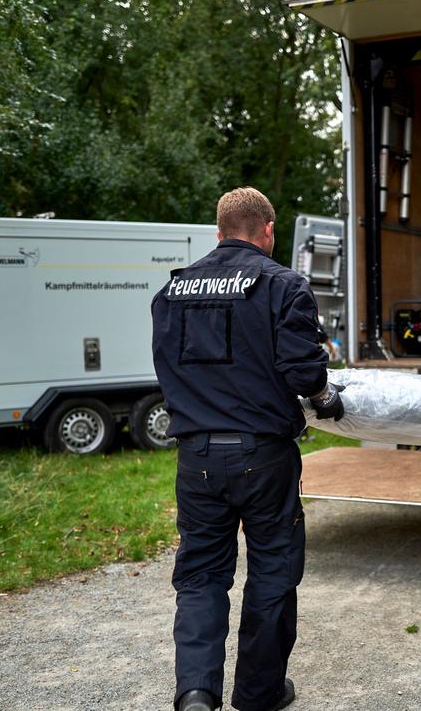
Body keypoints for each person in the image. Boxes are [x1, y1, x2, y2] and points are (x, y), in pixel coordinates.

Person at [151, 187, 345, 711]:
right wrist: (326, 398)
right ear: (268, 231)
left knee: (200, 576)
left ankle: (196, 693)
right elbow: (304, 371)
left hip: (197, 460)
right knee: (273, 570)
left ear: (218, 233)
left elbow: (168, 370)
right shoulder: (283, 285)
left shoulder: (171, 293)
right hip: (263, 456)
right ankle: (259, 694)